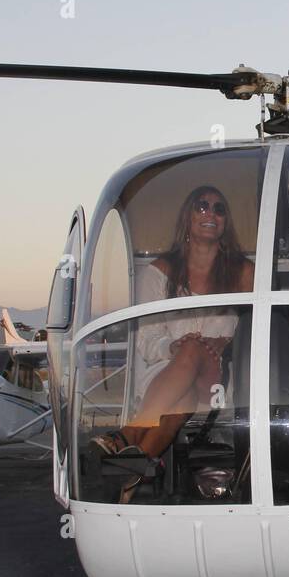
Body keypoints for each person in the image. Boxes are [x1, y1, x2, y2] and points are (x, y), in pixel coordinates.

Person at [91, 186, 253, 475]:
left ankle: (128, 433)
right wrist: (171, 347)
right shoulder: (157, 273)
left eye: (219, 209)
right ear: (187, 217)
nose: (210, 213)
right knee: (184, 396)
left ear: (225, 222)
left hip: (216, 379)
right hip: (165, 373)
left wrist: (228, 342)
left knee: (193, 350)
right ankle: (132, 473)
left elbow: (267, 323)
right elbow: (144, 338)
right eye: (201, 205)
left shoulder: (243, 272)